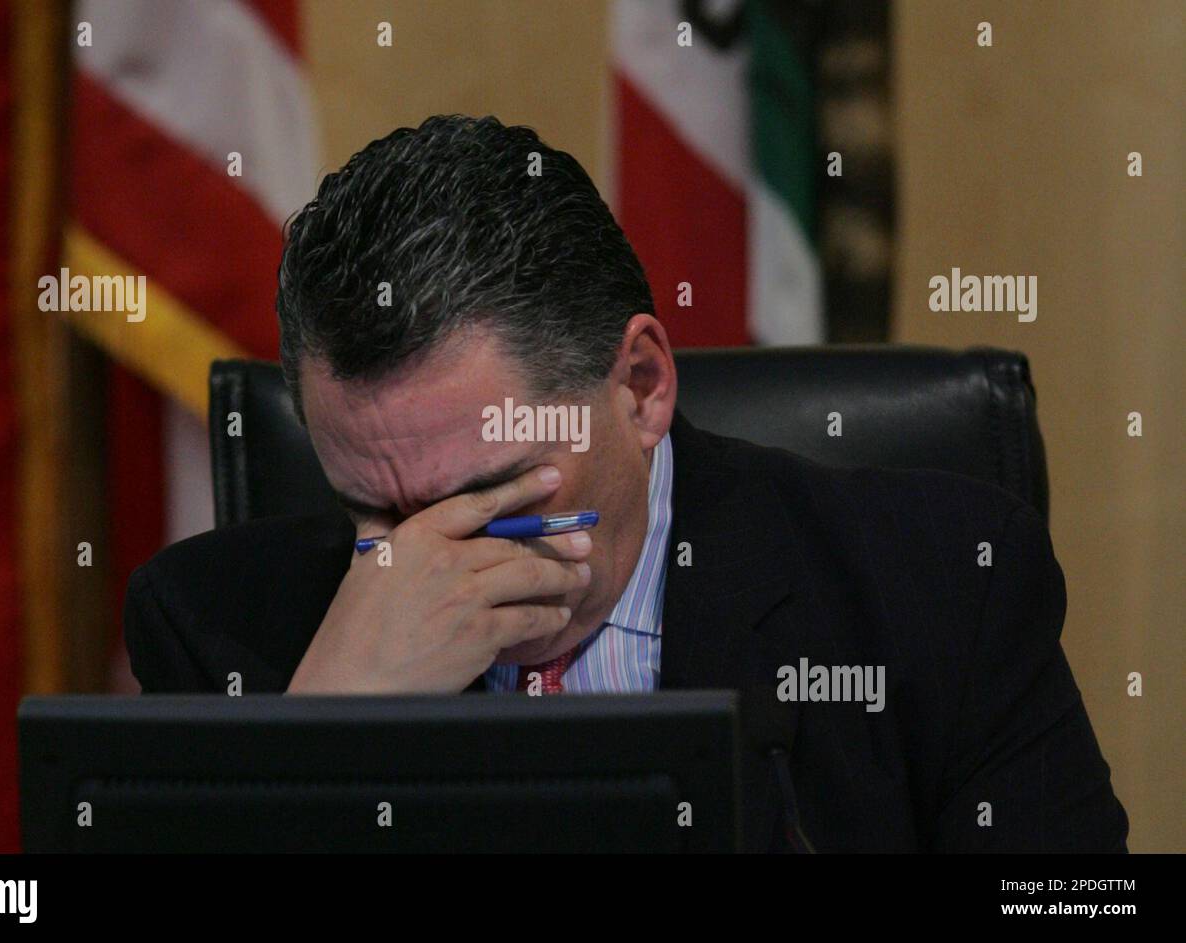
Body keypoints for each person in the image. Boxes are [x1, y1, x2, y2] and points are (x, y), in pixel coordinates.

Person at [123, 115, 1127, 851]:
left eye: (492, 494)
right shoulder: (221, 629)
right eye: (375, 511)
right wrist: (319, 742)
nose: (426, 561)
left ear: (639, 387)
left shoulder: (935, 581)